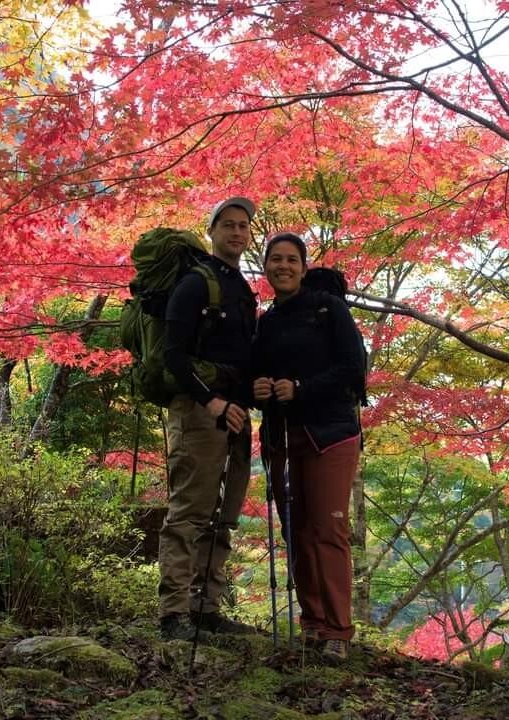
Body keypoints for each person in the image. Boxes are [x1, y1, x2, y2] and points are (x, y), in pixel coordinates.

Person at [252, 232, 366, 662]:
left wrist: (300, 389)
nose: (283, 266)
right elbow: (258, 374)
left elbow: (354, 370)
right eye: (275, 259)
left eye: (291, 260)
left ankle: (339, 630)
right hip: (283, 437)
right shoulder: (266, 321)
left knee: (328, 529)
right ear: (266, 267)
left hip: (331, 434)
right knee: (296, 531)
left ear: (303, 266)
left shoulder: (329, 310)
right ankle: (314, 624)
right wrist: (257, 388)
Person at [157, 196, 259, 641]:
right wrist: (211, 401)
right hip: (200, 413)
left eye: (243, 226)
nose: (237, 233)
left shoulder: (240, 287)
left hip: (236, 416)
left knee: (224, 516)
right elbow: (172, 356)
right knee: (189, 513)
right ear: (213, 231)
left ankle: (206, 607)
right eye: (229, 225)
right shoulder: (196, 284)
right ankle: (173, 614)